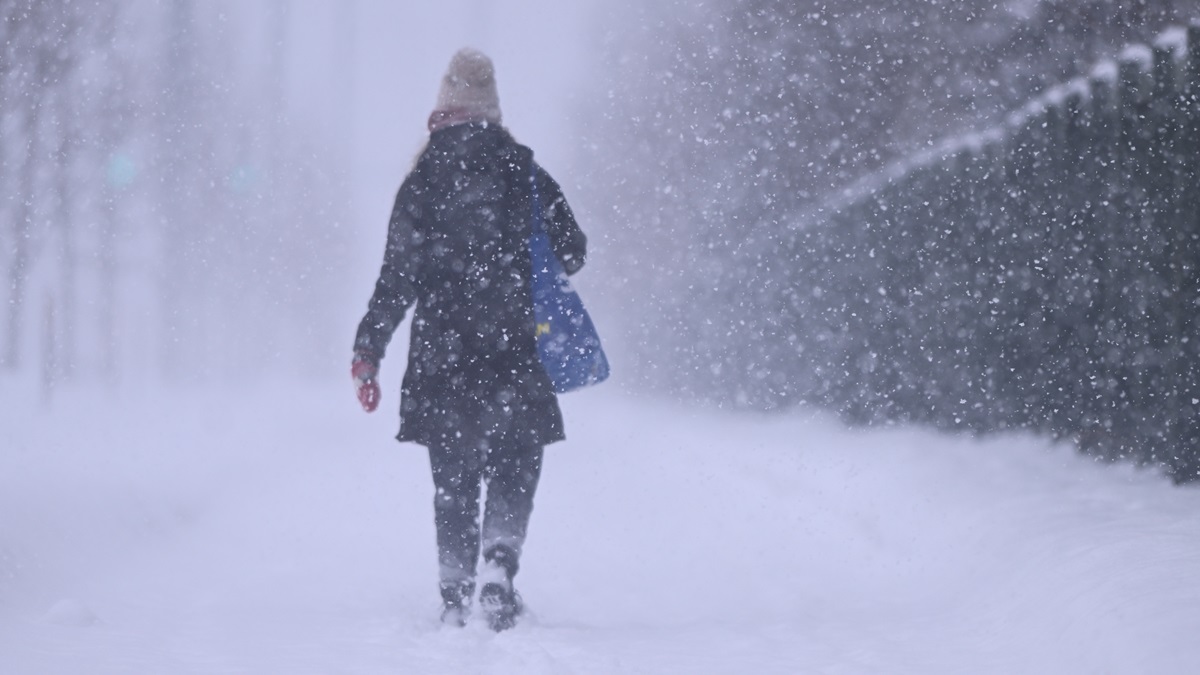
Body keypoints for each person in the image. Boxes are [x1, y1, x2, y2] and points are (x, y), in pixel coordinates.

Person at [351, 48, 587, 631]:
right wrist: (522, 255)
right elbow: (574, 251)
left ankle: (456, 591)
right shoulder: (524, 171)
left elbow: (396, 277)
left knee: (453, 476)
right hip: (514, 344)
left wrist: (368, 350)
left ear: (445, 105)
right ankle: (499, 566)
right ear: (493, 107)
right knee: (513, 461)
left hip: (443, 352)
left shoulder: (423, 179)